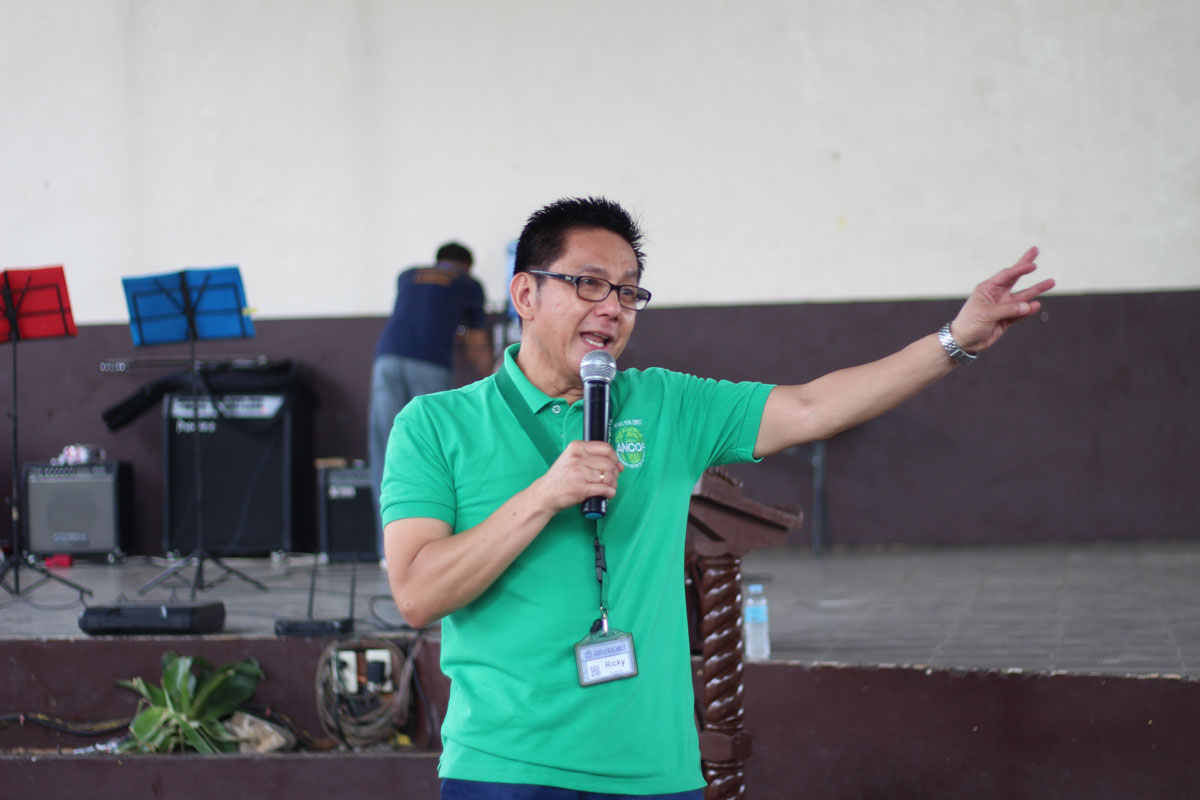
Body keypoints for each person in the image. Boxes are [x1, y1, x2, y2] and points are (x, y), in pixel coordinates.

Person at [381, 197, 1054, 799]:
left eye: (629, 292)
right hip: (506, 769)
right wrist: (542, 496)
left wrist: (955, 341)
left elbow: (813, 405)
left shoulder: (665, 404)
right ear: (525, 294)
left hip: (655, 771)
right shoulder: (436, 425)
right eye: (588, 284)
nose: (613, 307)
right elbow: (416, 593)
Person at [369, 242, 490, 560]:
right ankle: (431, 545)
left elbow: (419, 314)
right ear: (467, 266)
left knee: (384, 451)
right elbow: (476, 342)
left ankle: (386, 552)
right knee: (435, 449)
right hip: (430, 362)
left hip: (386, 359)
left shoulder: (407, 275)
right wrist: (493, 376)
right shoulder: (469, 284)